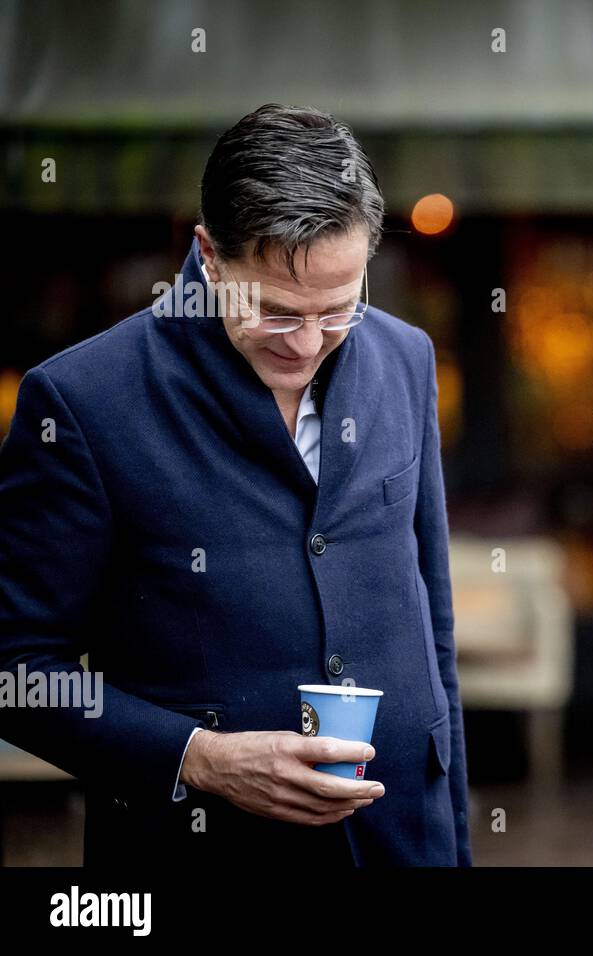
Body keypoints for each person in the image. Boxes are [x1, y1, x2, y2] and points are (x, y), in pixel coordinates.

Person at [0, 104, 471, 865]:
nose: (311, 343)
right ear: (208, 256)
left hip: (405, 843)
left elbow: (432, 632)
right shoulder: (82, 400)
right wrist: (199, 758)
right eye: (278, 313)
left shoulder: (408, 357)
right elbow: (15, 668)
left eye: (339, 310)